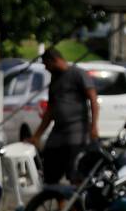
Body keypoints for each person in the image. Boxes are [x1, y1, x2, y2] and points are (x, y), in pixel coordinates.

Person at [30, 47, 98, 184]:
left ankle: (75, 204)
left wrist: (94, 126)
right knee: (50, 167)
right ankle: (59, 201)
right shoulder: (54, 80)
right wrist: (36, 135)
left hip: (76, 132)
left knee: (75, 172)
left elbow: (93, 99)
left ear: (54, 60)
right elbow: (50, 111)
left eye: (46, 64)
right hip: (58, 132)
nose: (46, 68)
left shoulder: (78, 74)